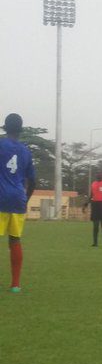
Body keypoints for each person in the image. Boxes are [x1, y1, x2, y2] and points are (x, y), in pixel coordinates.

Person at [0, 114, 35, 292]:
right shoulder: (26, 151)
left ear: (5, 127)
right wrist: (25, 201)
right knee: (15, 240)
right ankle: (15, 284)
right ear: (20, 130)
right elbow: (33, 182)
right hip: (18, 200)